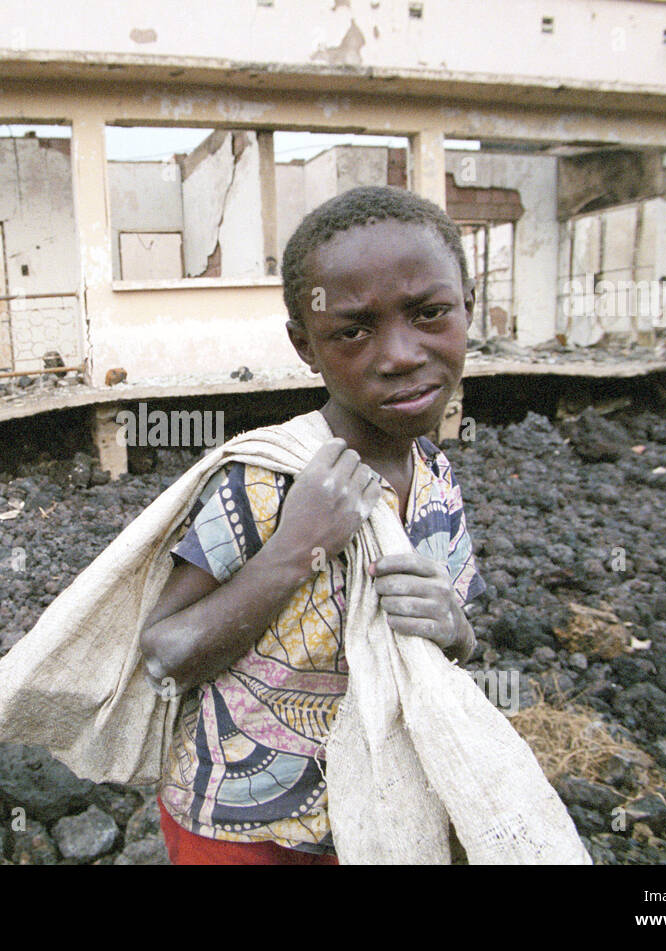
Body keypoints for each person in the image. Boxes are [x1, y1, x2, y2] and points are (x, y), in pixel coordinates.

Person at [139, 185, 488, 864]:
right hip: (242, 830)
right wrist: (296, 546)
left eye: (430, 313)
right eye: (353, 330)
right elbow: (163, 654)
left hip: (379, 822)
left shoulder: (437, 480)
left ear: (468, 311)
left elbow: (460, 638)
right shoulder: (268, 483)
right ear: (306, 346)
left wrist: (457, 629)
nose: (400, 354)